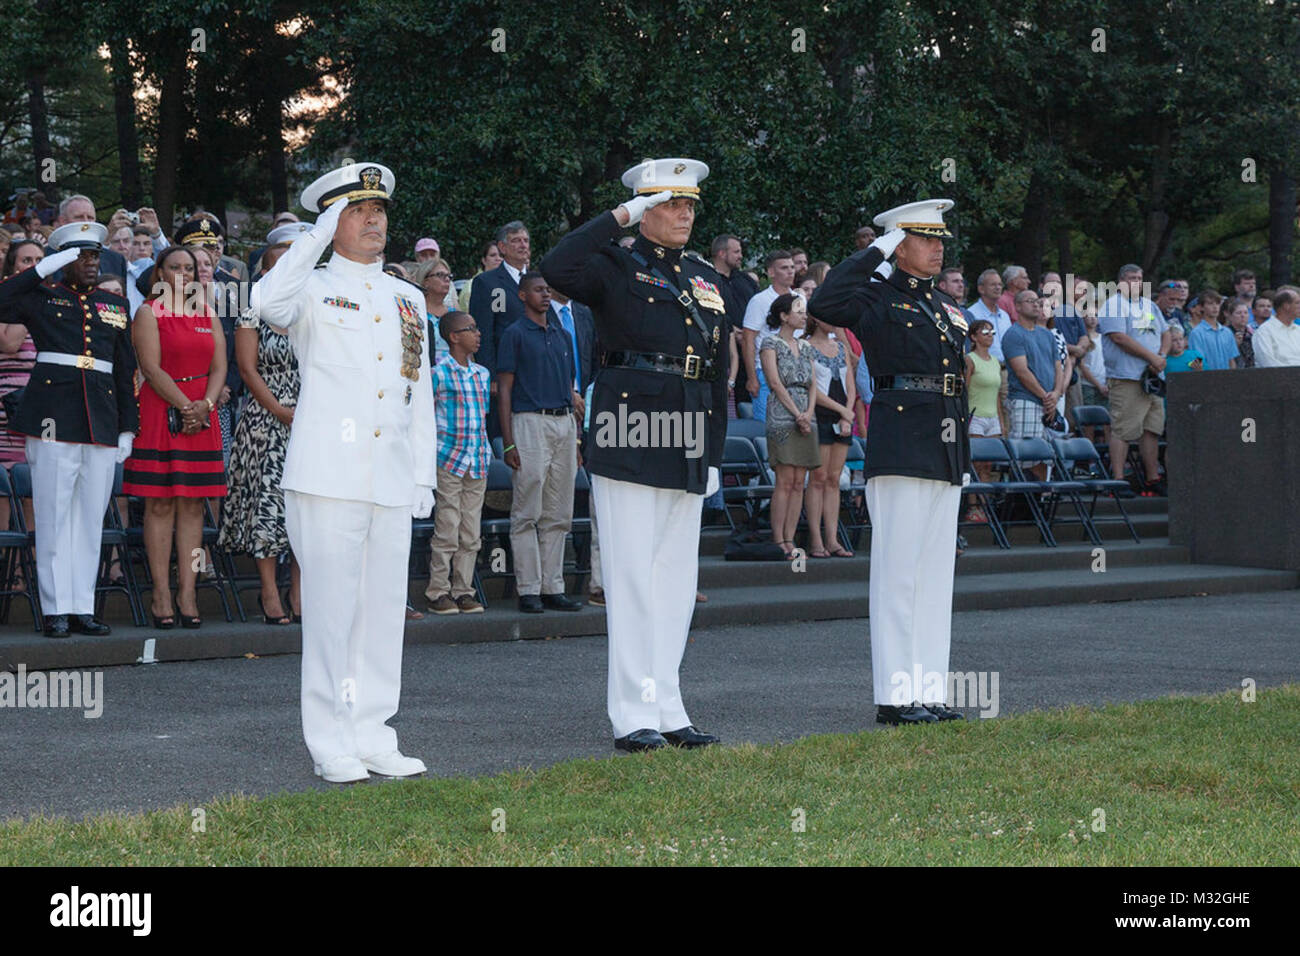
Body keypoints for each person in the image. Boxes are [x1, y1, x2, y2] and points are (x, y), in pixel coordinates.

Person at [250, 163, 437, 783]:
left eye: (378, 211)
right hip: (328, 474)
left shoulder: (407, 296)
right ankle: (330, 740)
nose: (374, 220)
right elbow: (262, 303)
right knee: (332, 615)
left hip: (388, 475)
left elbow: (420, 388)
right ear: (331, 221)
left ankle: (374, 731)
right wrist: (312, 236)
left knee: (382, 612)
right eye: (358, 211)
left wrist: (422, 474)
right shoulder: (307, 285)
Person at [541, 157, 726, 752]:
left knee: (675, 577)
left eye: (689, 204)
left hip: (689, 424)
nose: (684, 214)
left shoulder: (701, 275)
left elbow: (716, 366)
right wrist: (619, 215)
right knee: (632, 574)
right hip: (630, 422)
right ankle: (632, 713)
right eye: (671, 204)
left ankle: (669, 706)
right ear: (645, 210)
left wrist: (715, 450)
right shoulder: (613, 262)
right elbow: (555, 267)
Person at [809, 198, 970, 726]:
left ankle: (930, 686)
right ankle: (897, 695)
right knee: (899, 574)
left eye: (938, 238)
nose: (937, 247)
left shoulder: (946, 305)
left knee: (933, 575)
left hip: (946, 442)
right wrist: (876, 248)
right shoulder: (875, 296)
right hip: (902, 439)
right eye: (924, 238)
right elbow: (828, 303)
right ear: (899, 247)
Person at [0, 222, 137, 638]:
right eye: (82, 257)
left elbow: (124, 368)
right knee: (55, 515)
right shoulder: (42, 296)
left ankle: (82, 606)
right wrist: (43, 269)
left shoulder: (113, 305)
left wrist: (128, 427)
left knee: (89, 519)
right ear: (63, 261)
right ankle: (55, 608)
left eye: (95, 256)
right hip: (53, 416)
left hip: (101, 418)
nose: (92, 263)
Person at [122, 246, 227, 628]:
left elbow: (221, 367)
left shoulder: (208, 312)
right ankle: (161, 592)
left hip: (203, 413)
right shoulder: (148, 312)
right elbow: (149, 367)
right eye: (175, 267)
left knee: (194, 508)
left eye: (189, 267)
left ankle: (189, 591)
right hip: (163, 412)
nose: (183, 273)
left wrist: (206, 405)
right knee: (160, 506)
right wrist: (187, 407)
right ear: (160, 273)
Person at [217, 240, 301, 625]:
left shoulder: (309, 310)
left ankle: (299, 590)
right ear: (265, 273)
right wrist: (280, 410)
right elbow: (247, 370)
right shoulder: (252, 311)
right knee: (267, 505)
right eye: (280, 265)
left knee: (307, 508)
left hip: (313, 419)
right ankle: (268, 591)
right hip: (267, 419)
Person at [497, 273, 583, 613]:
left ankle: (553, 586)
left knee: (559, 511)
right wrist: (507, 442)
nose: (545, 294)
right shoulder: (515, 334)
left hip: (563, 422)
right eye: (538, 289)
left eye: (548, 289)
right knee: (527, 509)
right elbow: (504, 388)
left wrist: (576, 438)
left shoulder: (561, 333)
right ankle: (528, 588)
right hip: (529, 420)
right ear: (522, 295)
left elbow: (570, 385)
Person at [425, 310, 490, 615]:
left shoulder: (482, 374)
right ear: (453, 337)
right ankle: (439, 590)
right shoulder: (438, 373)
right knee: (448, 525)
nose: (478, 334)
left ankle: (464, 589)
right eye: (471, 329)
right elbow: (427, 415)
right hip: (449, 457)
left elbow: (482, 418)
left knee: (470, 530)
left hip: (477, 458)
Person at [1099, 264, 1169, 494]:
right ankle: (1118, 479)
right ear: (1120, 282)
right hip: (1127, 377)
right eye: (1131, 278)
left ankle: (1152, 478)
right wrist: (1150, 356)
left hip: (1153, 377)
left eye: (1139, 278)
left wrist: (1161, 357)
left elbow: (1165, 332)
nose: (1136, 282)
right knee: (1123, 430)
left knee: (1152, 429)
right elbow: (1119, 337)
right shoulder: (1114, 305)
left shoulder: (1149, 306)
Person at [760, 293, 821, 556]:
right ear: (784, 315)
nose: (803, 316)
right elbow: (774, 382)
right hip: (783, 413)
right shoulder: (769, 343)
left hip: (807, 413)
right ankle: (778, 539)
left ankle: (790, 537)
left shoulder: (806, 346)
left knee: (800, 481)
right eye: (798, 311)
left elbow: (814, 384)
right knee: (784, 480)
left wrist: (808, 412)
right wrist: (798, 413)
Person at [802, 306, 854, 558]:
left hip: (843, 416)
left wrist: (848, 412)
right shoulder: (806, 347)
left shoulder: (842, 348)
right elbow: (813, 388)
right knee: (818, 478)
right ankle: (815, 539)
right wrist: (842, 411)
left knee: (834, 479)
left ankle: (833, 539)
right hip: (820, 415)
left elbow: (850, 385)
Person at [1002, 290, 1063, 479]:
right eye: (1030, 301)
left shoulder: (1047, 335)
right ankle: (1020, 504)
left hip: (1049, 402)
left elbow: (1059, 367)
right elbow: (1022, 372)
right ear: (1018, 307)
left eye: (1038, 302)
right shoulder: (1013, 334)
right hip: (1025, 400)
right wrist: (1046, 396)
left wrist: (1056, 393)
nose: (1036, 305)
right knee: (1026, 456)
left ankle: (1039, 503)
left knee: (1045, 457)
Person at [0, 240, 44, 469]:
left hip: (44, 408)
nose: (34, 266)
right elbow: (9, 343)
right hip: (7, 409)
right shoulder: (5, 300)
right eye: (27, 260)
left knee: (40, 483)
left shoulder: (51, 301)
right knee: (8, 485)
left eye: (39, 261)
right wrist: (27, 295)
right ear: (12, 267)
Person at [741, 250, 796, 422]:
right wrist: (752, 378)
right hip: (766, 372)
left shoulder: (800, 298)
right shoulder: (760, 300)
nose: (790, 271)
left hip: (795, 373)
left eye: (792, 267)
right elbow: (748, 339)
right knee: (767, 429)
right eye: (784, 268)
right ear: (771, 272)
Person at [963, 318, 1002, 520]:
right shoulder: (970, 359)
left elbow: (997, 396)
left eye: (991, 332)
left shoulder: (995, 361)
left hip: (992, 417)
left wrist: (1001, 423)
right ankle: (973, 507)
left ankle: (985, 506)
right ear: (974, 336)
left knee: (988, 465)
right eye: (985, 332)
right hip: (975, 416)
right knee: (975, 464)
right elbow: (964, 389)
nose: (989, 336)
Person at [1187, 294, 1240, 370]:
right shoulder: (1196, 333)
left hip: (1227, 378)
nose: (1215, 307)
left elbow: (1231, 361)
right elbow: (1198, 362)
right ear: (1202, 307)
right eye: (1210, 304)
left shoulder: (1227, 332)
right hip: (1207, 378)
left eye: (1217, 304)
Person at [1253, 287, 1300, 367]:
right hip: (1279, 378)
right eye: (1297, 303)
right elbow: (1268, 364)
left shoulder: (1298, 330)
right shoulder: (1264, 332)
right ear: (1286, 306)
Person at [457, 238, 504, 311]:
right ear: (484, 260)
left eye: (501, 255)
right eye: (493, 255)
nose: (498, 259)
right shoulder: (472, 286)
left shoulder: (509, 283)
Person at [1224, 297, 1255, 368]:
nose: (1243, 316)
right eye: (1238, 313)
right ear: (1230, 316)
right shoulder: (1225, 333)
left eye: (1245, 313)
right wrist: (1234, 345)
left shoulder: (1252, 332)